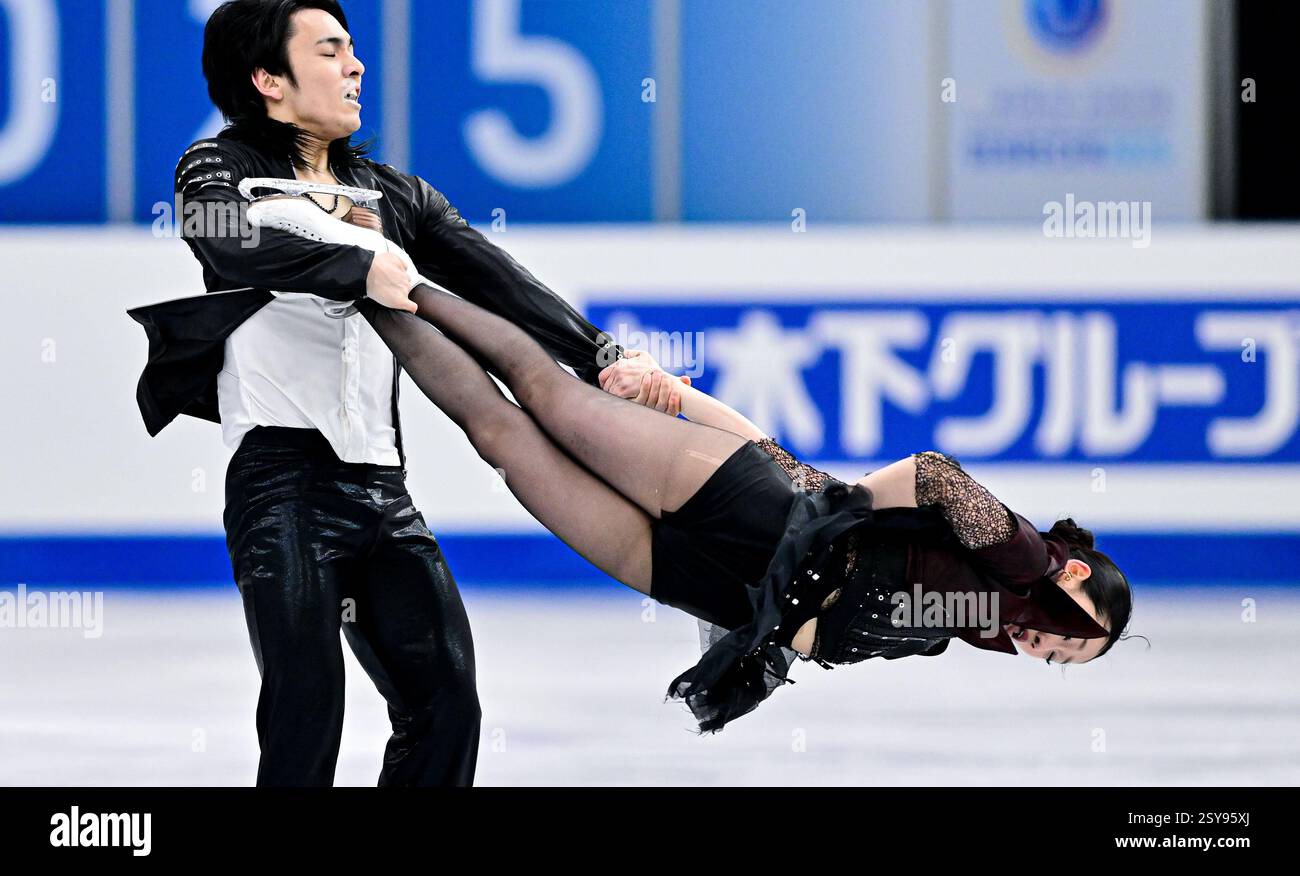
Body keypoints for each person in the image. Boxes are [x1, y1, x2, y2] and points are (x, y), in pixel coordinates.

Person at [126, 0, 625, 782]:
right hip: (281, 486)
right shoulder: (219, 167)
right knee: (306, 705)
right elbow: (228, 244)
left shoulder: (396, 195)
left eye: (352, 48)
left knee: (447, 704)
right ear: (268, 79)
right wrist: (355, 265)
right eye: (329, 49)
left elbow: (498, 282)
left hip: (383, 493)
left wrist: (600, 354)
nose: (356, 64)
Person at [327, 274, 1133, 735]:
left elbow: (804, 484)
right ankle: (401, 276)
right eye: (1066, 639)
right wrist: (834, 512)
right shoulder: (1019, 558)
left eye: (1058, 663)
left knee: (506, 443)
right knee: (548, 398)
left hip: (702, 580)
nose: (1042, 650)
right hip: (748, 509)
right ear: (1070, 583)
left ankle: (360, 293)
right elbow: (929, 474)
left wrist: (777, 640)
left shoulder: (948, 627)